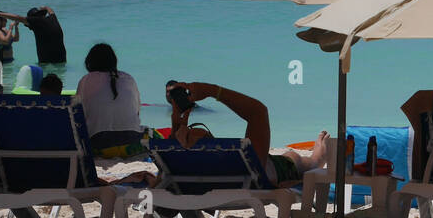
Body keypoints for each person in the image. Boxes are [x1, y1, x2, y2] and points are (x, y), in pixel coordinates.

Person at [165, 81, 329, 187]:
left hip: (209, 185)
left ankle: (313, 160)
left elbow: (174, 147)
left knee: (288, 155)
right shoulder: (248, 167)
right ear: (214, 148)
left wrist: (177, 124)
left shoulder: (182, 170)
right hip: (275, 172)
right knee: (293, 156)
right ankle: (316, 161)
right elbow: (258, 112)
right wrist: (213, 91)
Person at [75, 43, 146, 152]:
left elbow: (79, 115)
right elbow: (137, 112)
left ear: (89, 62)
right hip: (132, 142)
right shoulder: (128, 78)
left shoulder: (86, 80)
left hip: (99, 144)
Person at [0, 6, 66, 64]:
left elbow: (18, 17)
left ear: (32, 19)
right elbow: (51, 11)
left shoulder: (36, 21)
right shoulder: (52, 18)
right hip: (62, 58)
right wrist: (45, 7)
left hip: (48, 62)